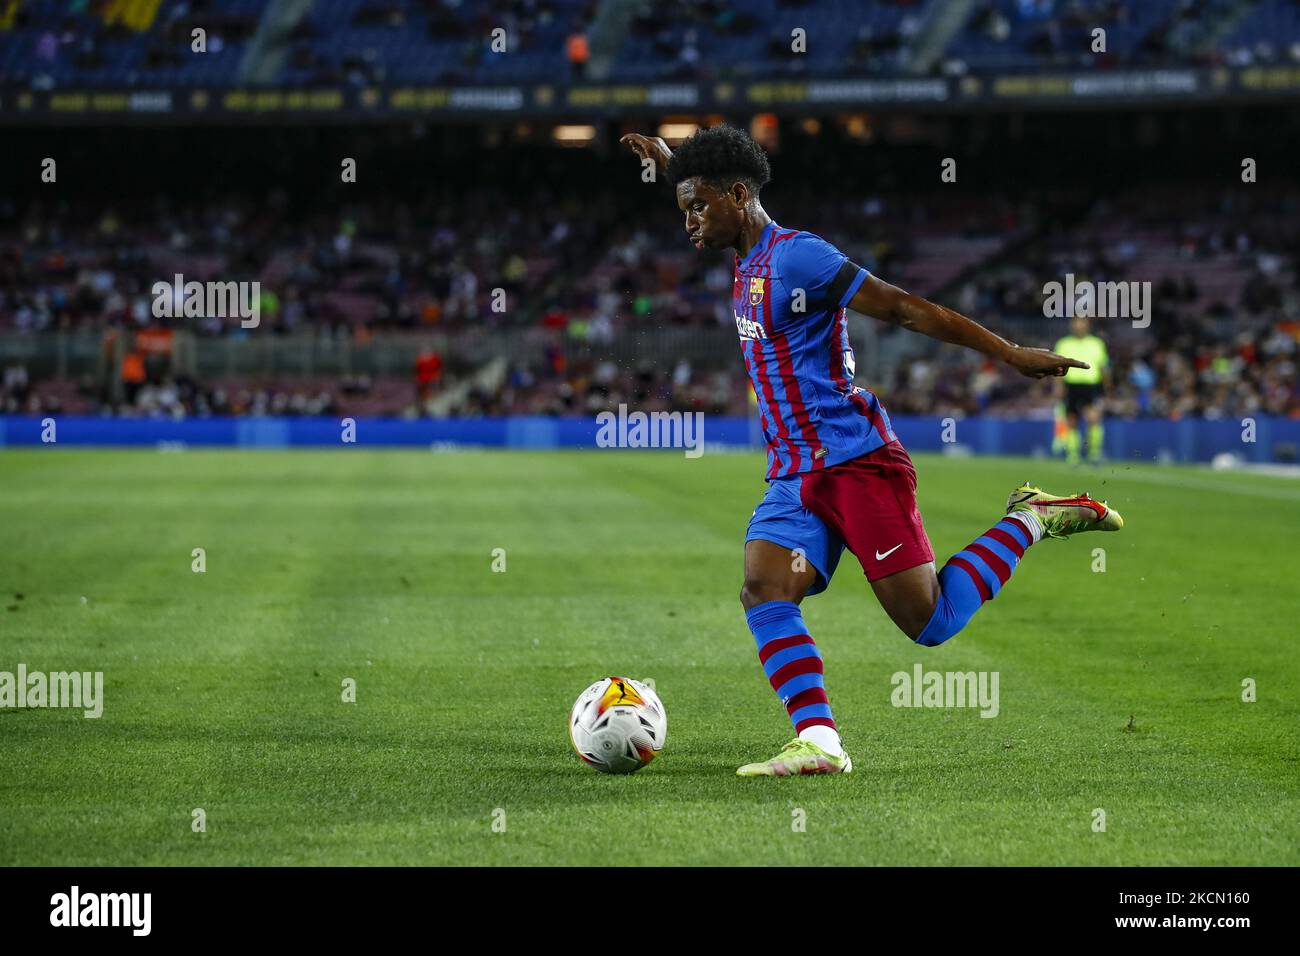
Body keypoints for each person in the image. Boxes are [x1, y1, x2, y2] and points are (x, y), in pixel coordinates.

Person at [621, 125, 1124, 777]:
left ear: (739, 195)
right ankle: (819, 740)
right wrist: (674, 165)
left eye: (696, 205)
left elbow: (908, 309)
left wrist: (1007, 352)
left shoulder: (800, 257)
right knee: (763, 588)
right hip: (795, 474)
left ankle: (1030, 518)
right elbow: (710, 203)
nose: (686, 219)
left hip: (856, 463)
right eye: (683, 204)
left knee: (931, 622)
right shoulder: (746, 257)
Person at [1053, 315, 1109, 465]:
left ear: (1088, 325)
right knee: (1072, 420)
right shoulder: (1063, 344)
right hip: (1071, 385)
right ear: (1072, 325)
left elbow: (1103, 367)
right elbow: (1058, 368)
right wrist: (1058, 387)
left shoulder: (1097, 344)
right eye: (1076, 322)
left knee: (1094, 418)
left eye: (1082, 322)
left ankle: (1094, 453)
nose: (1079, 325)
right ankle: (1073, 455)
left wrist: (1107, 388)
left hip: (1091, 385)